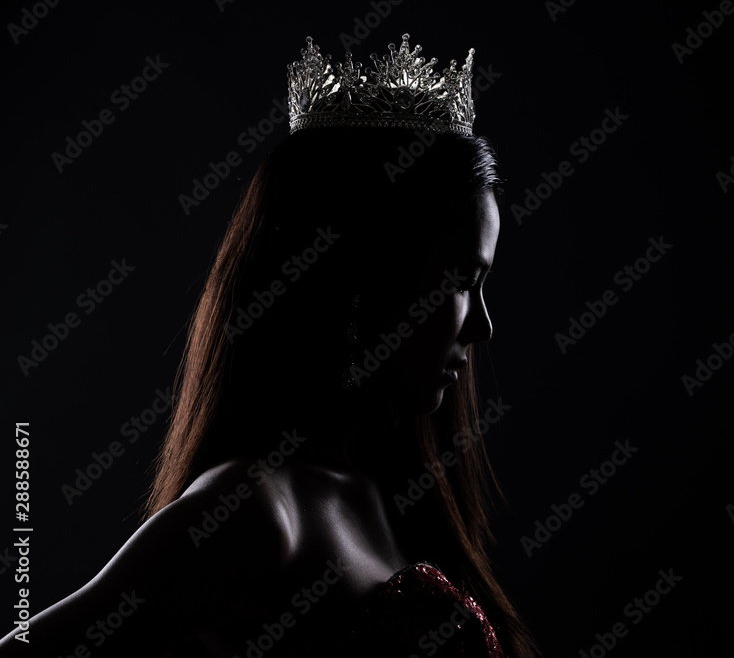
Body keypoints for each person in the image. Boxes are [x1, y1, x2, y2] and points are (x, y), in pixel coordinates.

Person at [0, 34, 539, 657]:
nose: (482, 327)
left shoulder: (386, 487)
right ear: (366, 275)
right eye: (462, 281)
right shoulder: (256, 510)